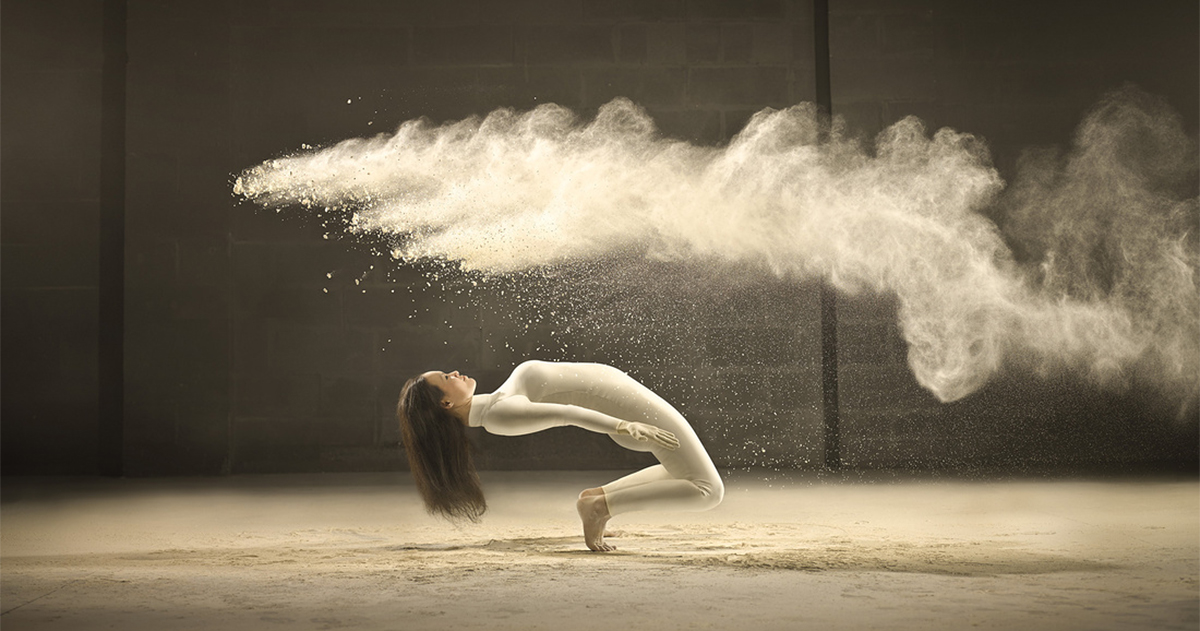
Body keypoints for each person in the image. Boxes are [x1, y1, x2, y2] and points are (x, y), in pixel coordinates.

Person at [397, 360, 724, 551]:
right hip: (631, 411)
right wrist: (625, 425)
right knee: (708, 490)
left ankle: (598, 499)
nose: (454, 373)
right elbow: (568, 413)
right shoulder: (500, 413)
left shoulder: (495, 400)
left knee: (686, 476)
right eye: (446, 379)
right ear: (446, 404)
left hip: (628, 401)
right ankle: (600, 507)